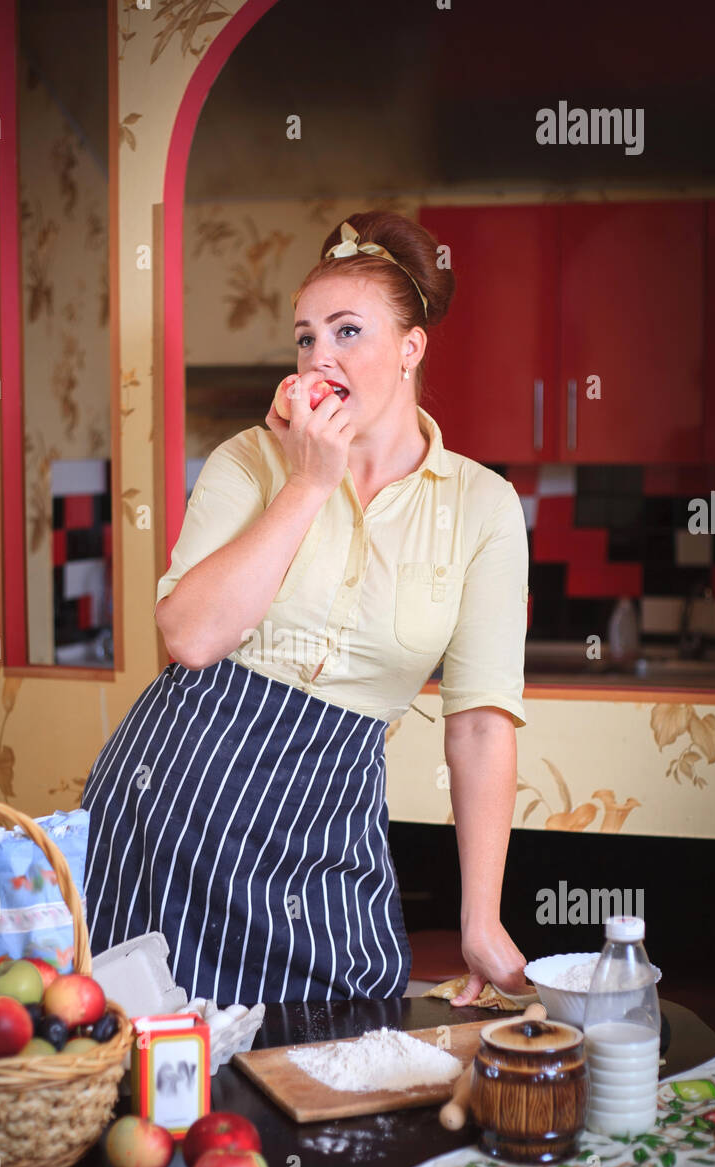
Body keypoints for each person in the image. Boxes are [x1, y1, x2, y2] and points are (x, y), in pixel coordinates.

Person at [80, 211, 530, 1008]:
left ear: (410, 347)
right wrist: (307, 482)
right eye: (305, 338)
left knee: (350, 1034)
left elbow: (480, 724)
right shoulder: (250, 462)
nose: (320, 356)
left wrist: (481, 919)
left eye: (348, 331)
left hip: (328, 815)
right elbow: (189, 636)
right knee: (155, 1072)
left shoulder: (483, 507)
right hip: (170, 805)